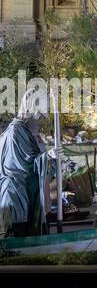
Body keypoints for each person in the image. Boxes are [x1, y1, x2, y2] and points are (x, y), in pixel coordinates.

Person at [0, 83, 51, 236]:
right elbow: (21, 166)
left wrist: (53, 162)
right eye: (41, 111)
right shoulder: (15, 132)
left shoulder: (29, 133)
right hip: (15, 198)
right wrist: (49, 157)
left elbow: (38, 163)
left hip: (26, 196)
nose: (42, 117)